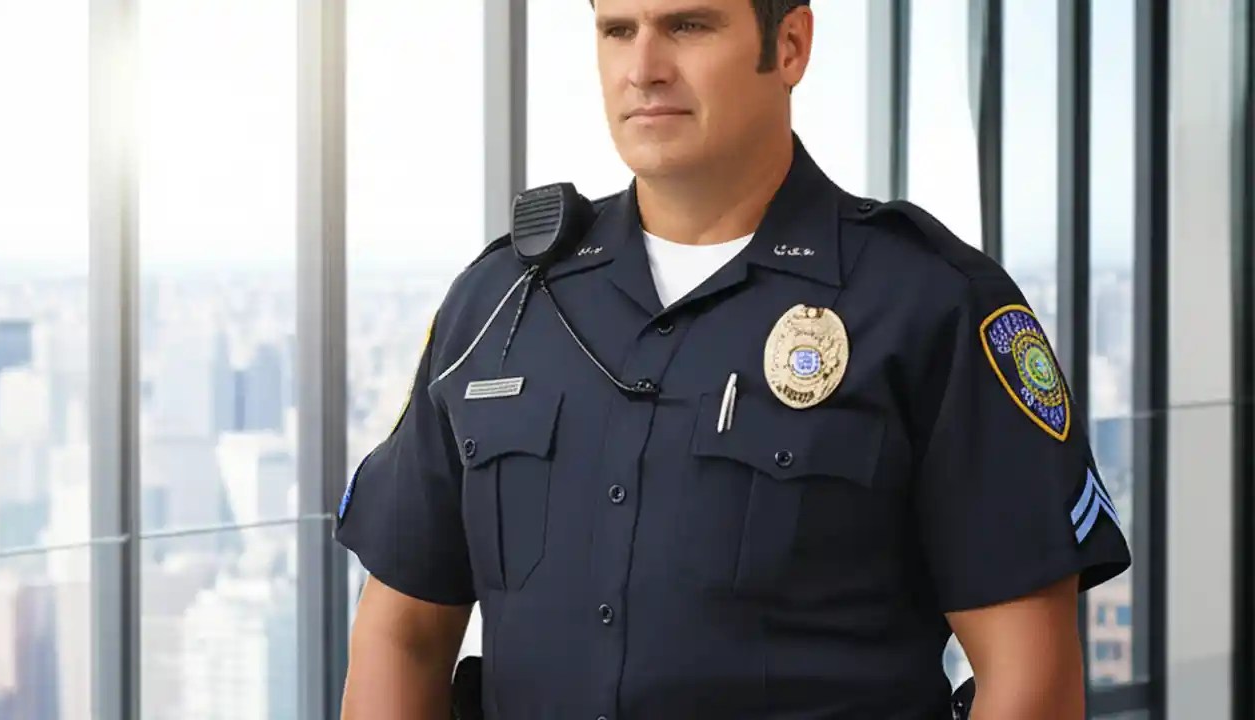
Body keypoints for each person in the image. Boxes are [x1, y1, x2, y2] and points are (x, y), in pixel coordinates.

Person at [334, 0, 1132, 717]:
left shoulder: (930, 303)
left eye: (687, 25)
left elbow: (1029, 680)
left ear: (789, 45)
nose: (643, 68)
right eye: (618, 31)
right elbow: (400, 634)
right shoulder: (499, 303)